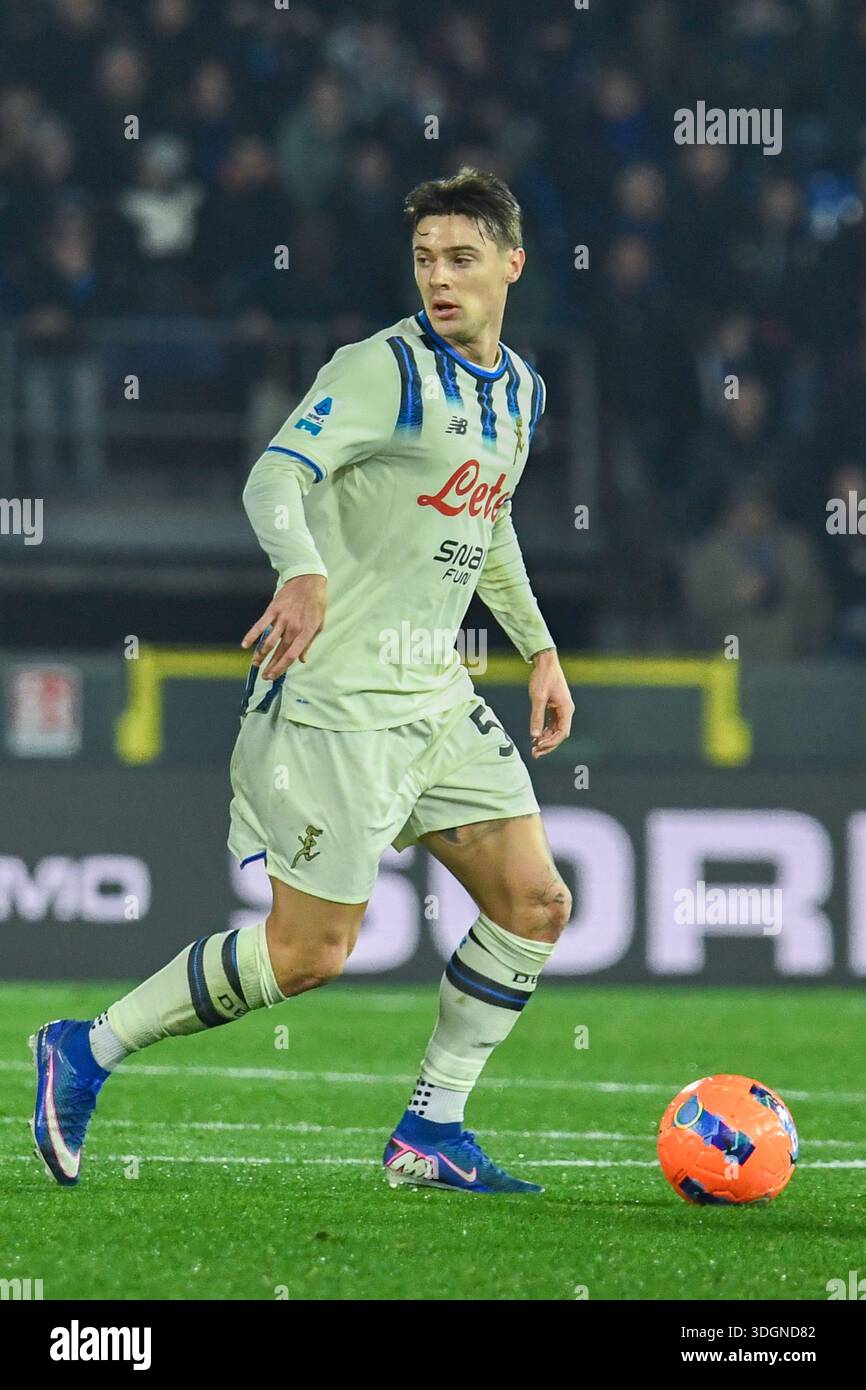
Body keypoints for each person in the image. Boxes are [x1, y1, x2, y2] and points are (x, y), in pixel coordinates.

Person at [31, 167, 574, 1196]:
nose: (439, 279)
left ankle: (430, 1132)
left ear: (511, 262)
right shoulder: (379, 370)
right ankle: (85, 1046)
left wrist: (538, 648)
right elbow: (273, 471)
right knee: (312, 950)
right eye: (424, 260)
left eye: (460, 259)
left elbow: (486, 519)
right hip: (337, 700)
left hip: (437, 697)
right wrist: (303, 570)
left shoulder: (522, 393)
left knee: (535, 903)